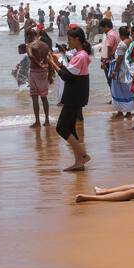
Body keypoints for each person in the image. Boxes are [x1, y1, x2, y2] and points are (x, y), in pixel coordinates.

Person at [48, 26, 92, 171]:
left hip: (74, 96)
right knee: (70, 128)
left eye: (70, 39)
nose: (68, 42)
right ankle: (79, 161)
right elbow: (69, 71)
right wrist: (58, 62)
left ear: (77, 39)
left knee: (61, 128)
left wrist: (52, 63)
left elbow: (66, 76)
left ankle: (83, 155)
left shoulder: (80, 56)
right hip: (77, 95)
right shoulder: (81, 54)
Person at [26, 30, 51, 127]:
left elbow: (31, 56)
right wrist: (49, 72)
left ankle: (37, 122)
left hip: (34, 71)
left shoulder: (30, 45)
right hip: (44, 72)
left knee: (35, 97)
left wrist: (38, 64)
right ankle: (47, 120)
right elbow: (49, 58)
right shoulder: (45, 45)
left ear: (29, 36)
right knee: (44, 97)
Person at [109, 27, 134, 116]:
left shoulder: (122, 44)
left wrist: (115, 71)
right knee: (128, 90)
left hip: (121, 69)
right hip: (129, 69)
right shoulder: (131, 41)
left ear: (120, 34)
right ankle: (128, 111)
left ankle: (120, 111)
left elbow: (119, 59)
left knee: (118, 90)